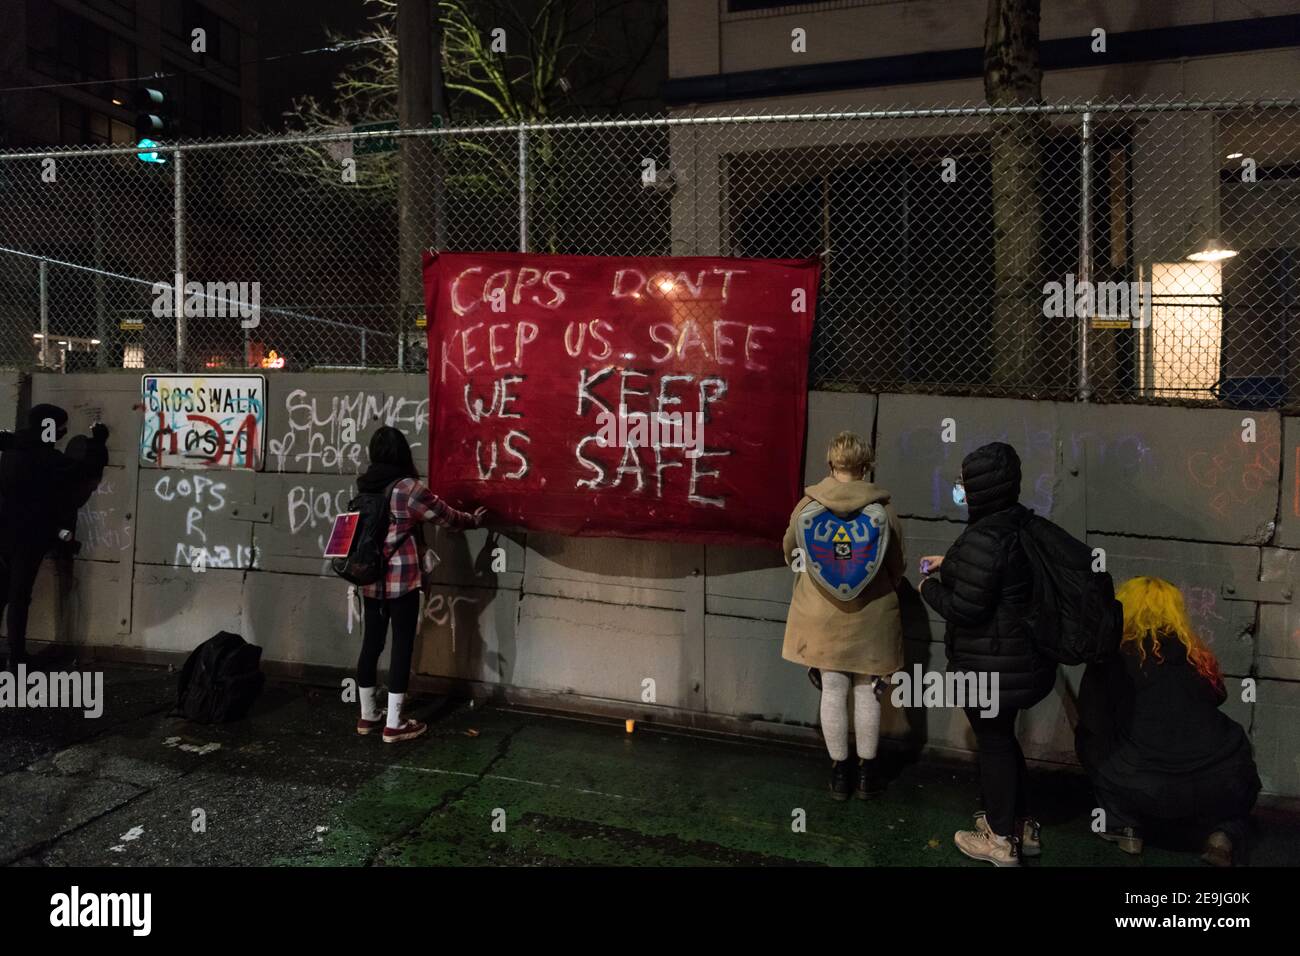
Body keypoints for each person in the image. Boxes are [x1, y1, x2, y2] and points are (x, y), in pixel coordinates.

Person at [918, 441, 1054, 866]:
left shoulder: (983, 537)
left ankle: (999, 841)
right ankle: (1020, 825)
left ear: (978, 489)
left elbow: (966, 609)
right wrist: (951, 563)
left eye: (964, 483)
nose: (960, 490)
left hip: (991, 665)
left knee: (993, 742)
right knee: (1003, 738)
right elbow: (999, 577)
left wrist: (929, 588)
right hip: (1021, 663)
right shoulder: (1019, 523)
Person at [1075, 576, 1261, 866]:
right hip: (1219, 781)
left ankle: (1123, 826)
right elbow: (1217, 698)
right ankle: (1223, 833)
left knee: (1089, 738)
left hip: (1146, 785)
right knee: (1234, 756)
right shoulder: (1196, 654)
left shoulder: (1110, 656)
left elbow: (1091, 718)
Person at [782, 431, 905, 800]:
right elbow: (897, 566)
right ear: (866, 467)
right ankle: (867, 776)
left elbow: (791, 554)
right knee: (868, 692)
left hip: (821, 616)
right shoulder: (884, 512)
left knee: (833, 691)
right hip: (873, 614)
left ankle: (839, 774)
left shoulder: (806, 508)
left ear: (831, 464)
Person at [353, 426, 486, 743]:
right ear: (402, 453)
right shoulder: (408, 488)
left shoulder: (363, 487)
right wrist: (474, 520)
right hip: (402, 579)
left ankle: (368, 715)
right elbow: (446, 516)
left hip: (370, 579)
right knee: (402, 645)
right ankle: (395, 724)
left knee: (371, 644)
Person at [0, 404, 110, 669]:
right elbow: (82, 469)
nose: (62, 431)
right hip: (30, 536)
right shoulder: (47, 459)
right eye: (60, 426)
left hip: (4, 531)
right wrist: (98, 441)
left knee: (2, 592)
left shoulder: (13, 451)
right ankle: (16, 657)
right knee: (19, 595)